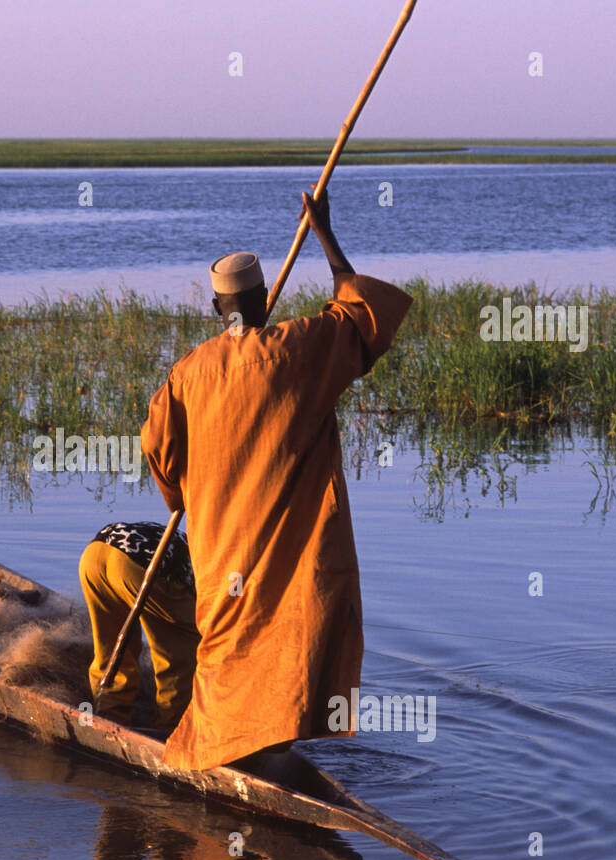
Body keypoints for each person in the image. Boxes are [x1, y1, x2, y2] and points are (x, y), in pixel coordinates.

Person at [140, 189, 414, 771]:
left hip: (219, 545)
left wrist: (182, 497)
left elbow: (158, 449)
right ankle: (250, 749)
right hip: (286, 544)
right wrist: (326, 237)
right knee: (291, 622)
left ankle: (227, 748)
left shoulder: (188, 373)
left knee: (229, 643)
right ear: (265, 298)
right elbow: (362, 318)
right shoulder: (295, 349)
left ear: (217, 310)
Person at [79, 521, 199, 730]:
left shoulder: (204, 547)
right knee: (180, 650)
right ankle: (171, 727)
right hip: (144, 562)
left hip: (96, 553)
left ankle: (110, 713)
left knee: (110, 645)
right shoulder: (222, 575)